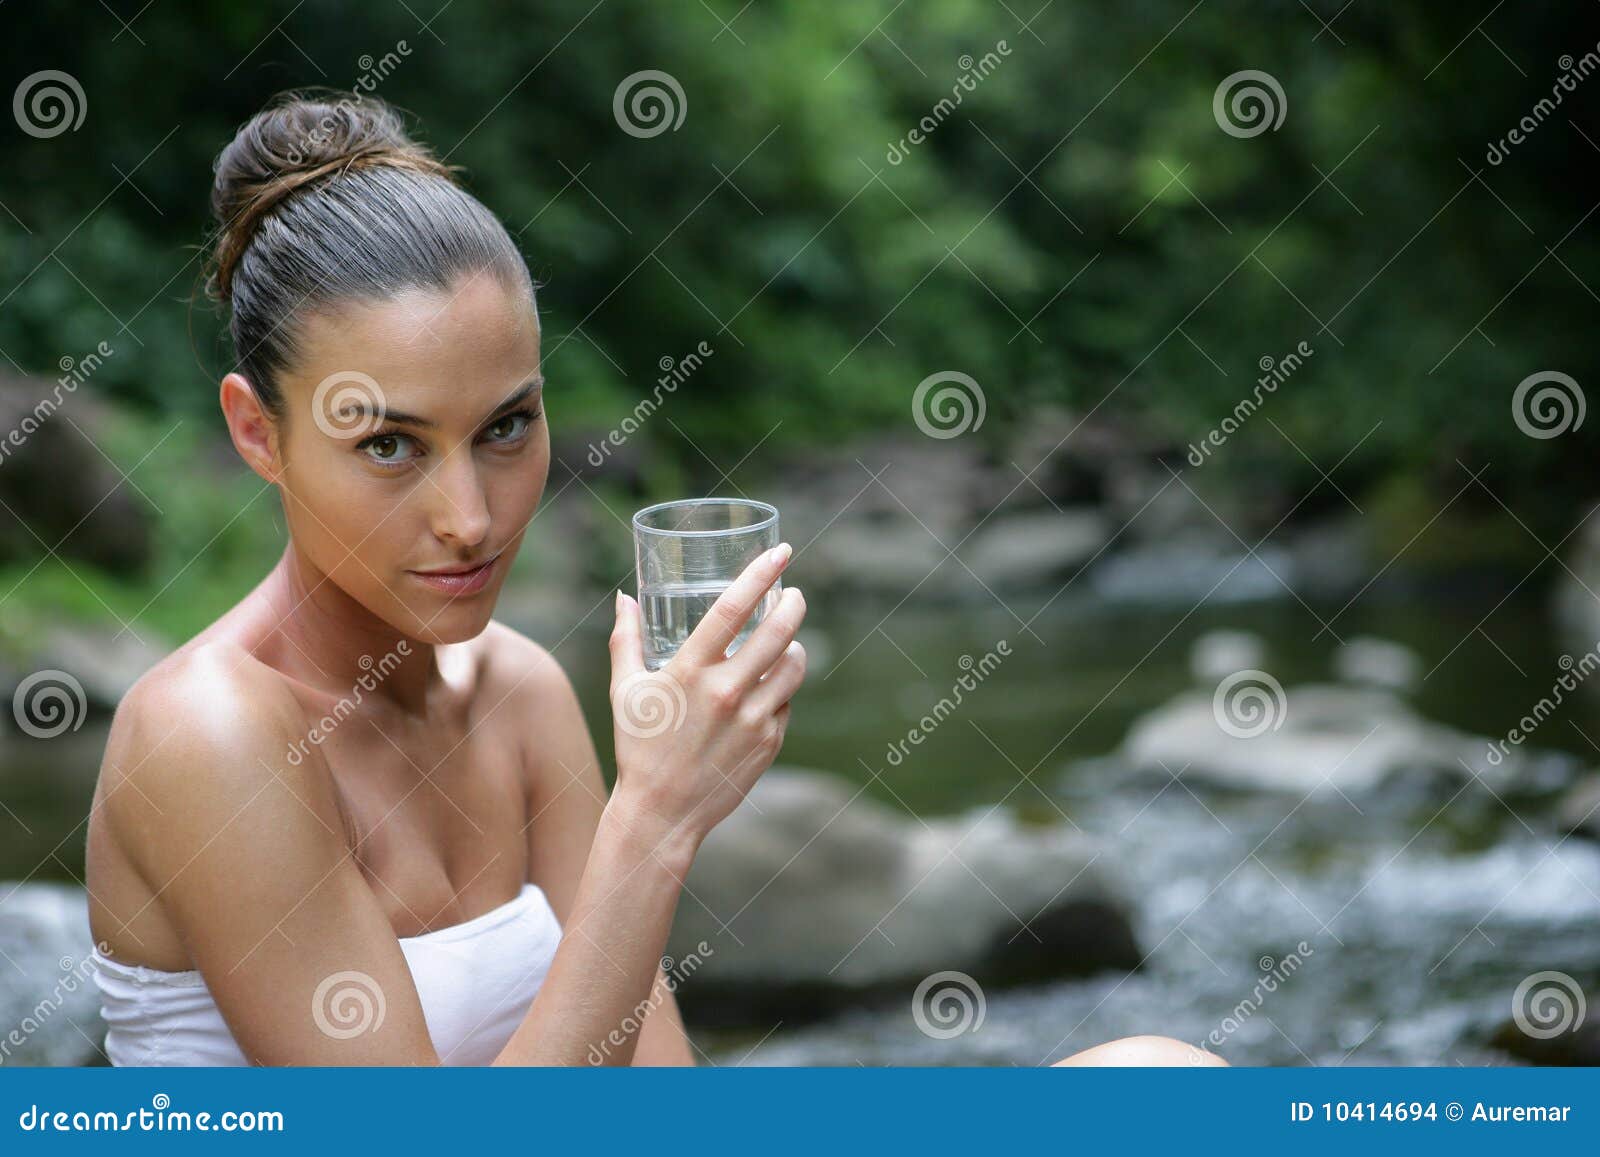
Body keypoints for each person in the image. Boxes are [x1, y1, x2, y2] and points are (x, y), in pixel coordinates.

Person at [83, 92, 1222, 1069]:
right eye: (388, 444)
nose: (471, 515)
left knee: (1163, 1074)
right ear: (258, 432)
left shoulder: (516, 693)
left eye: (507, 427)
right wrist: (655, 820)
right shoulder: (211, 733)